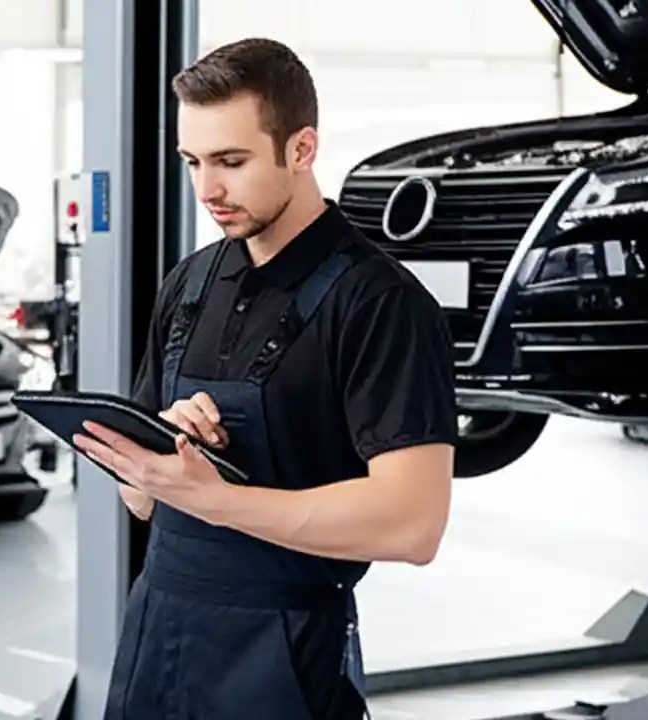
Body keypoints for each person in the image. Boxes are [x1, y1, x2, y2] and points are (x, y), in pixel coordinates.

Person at [72, 37, 458, 719]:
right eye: (192, 162)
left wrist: (217, 498)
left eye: (231, 161)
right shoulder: (189, 284)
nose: (207, 190)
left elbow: (412, 525)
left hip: (284, 657)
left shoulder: (380, 303)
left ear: (301, 149)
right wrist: (165, 453)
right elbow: (142, 502)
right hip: (156, 636)